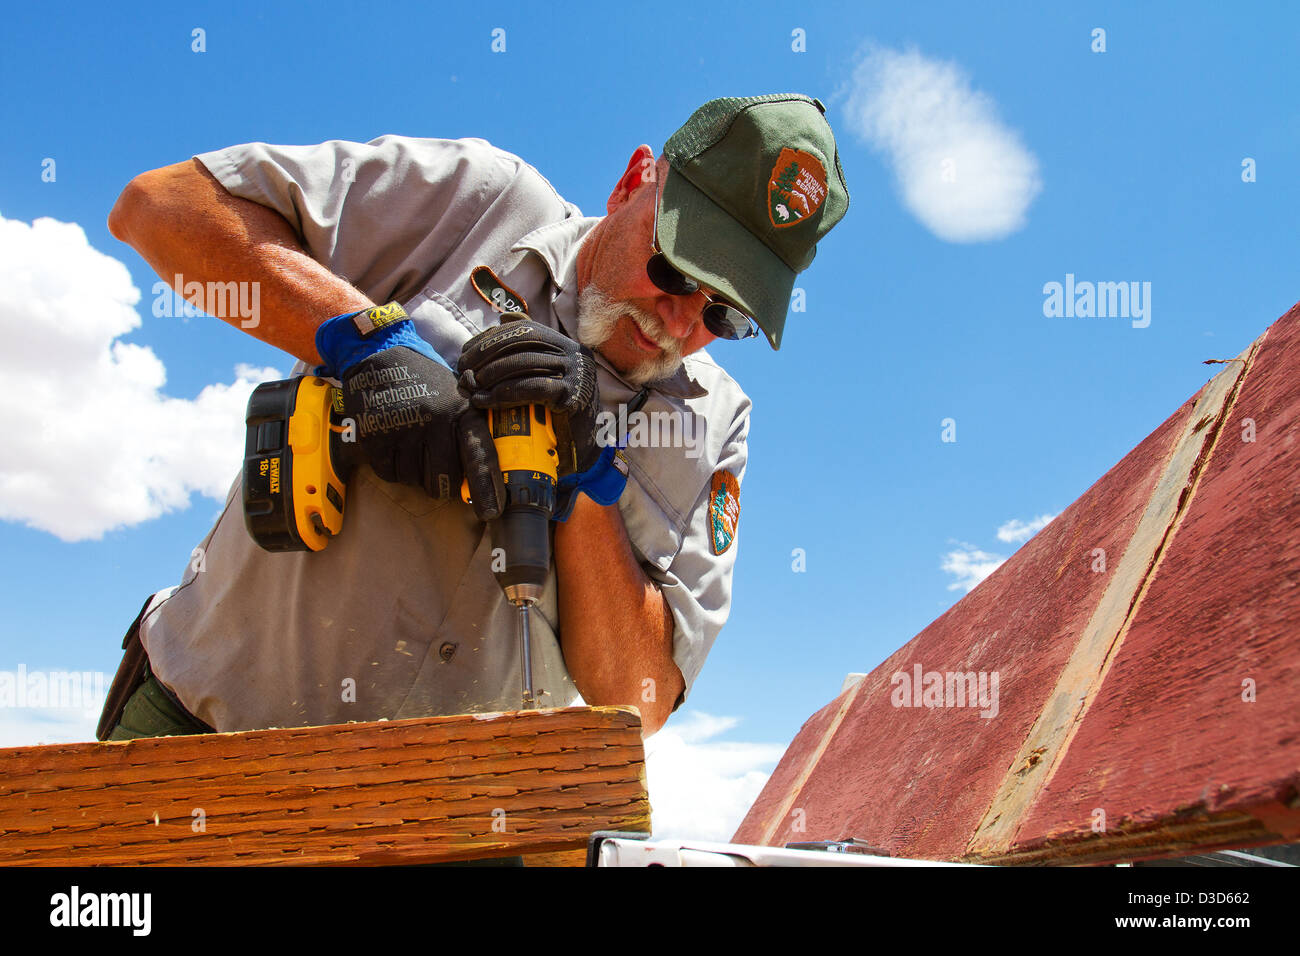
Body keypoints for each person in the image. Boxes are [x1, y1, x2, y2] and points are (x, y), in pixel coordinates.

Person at [98, 94, 849, 741]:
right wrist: (370, 345)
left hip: (449, 826)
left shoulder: (712, 422)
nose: (681, 321)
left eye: (725, 311)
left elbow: (640, 699)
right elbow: (159, 208)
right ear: (631, 184)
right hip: (198, 734)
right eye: (675, 269)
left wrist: (586, 484)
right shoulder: (478, 199)